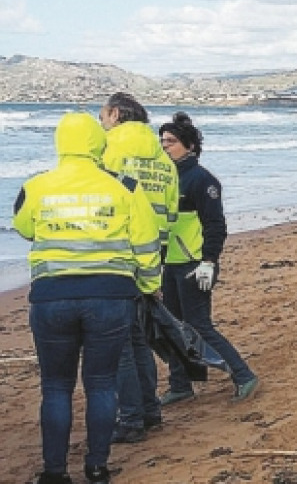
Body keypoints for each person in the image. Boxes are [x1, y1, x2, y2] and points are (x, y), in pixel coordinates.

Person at [14, 112, 162, 484]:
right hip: (110, 297)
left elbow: (24, 227)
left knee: (56, 386)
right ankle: (97, 467)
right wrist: (147, 285)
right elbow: (146, 243)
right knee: (101, 383)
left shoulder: (37, 186)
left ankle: (55, 472)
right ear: (99, 143)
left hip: (52, 298)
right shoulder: (126, 187)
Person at [156, 112, 259, 405]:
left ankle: (243, 375)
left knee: (200, 325)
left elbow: (216, 225)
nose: (165, 146)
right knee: (173, 327)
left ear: (189, 146)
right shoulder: (164, 179)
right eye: (162, 141)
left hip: (194, 264)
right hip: (170, 264)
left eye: (171, 141)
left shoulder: (202, 180)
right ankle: (181, 385)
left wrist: (209, 262)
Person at [97, 92, 178, 444]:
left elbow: (100, 201)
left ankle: (132, 418)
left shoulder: (108, 150)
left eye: (102, 114)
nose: (101, 121)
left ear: (114, 114)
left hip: (117, 253)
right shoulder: (164, 159)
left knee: (122, 346)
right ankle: (149, 409)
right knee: (138, 339)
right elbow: (171, 213)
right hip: (152, 252)